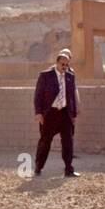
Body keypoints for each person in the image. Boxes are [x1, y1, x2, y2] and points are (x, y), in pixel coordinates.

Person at [33, 48, 81, 177]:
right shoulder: (45, 75)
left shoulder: (70, 76)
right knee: (45, 141)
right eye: (62, 64)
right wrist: (38, 113)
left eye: (67, 64)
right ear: (57, 63)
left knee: (68, 141)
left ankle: (68, 169)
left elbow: (71, 96)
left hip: (65, 113)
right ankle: (38, 167)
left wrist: (74, 114)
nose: (64, 67)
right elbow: (38, 95)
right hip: (50, 114)